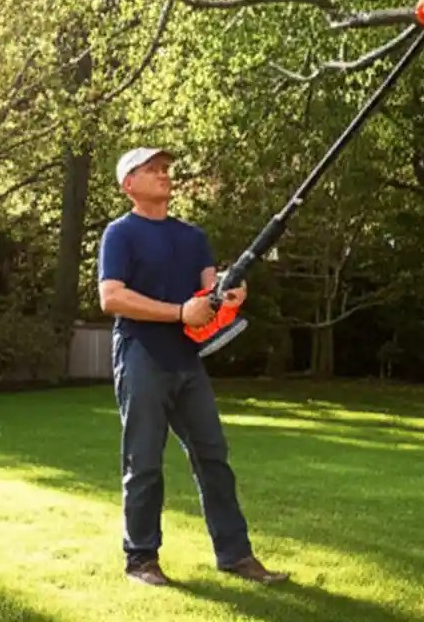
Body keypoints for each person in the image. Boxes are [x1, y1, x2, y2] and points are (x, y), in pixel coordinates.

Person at [97, 146, 289, 587]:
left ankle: (235, 556)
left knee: (213, 458)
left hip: (187, 361)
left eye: (165, 169)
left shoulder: (192, 236)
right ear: (129, 184)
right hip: (141, 353)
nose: (163, 175)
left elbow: (210, 292)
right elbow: (112, 298)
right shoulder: (119, 233)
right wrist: (179, 313)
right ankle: (141, 560)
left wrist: (230, 296)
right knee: (143, 461)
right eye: (152, 170)